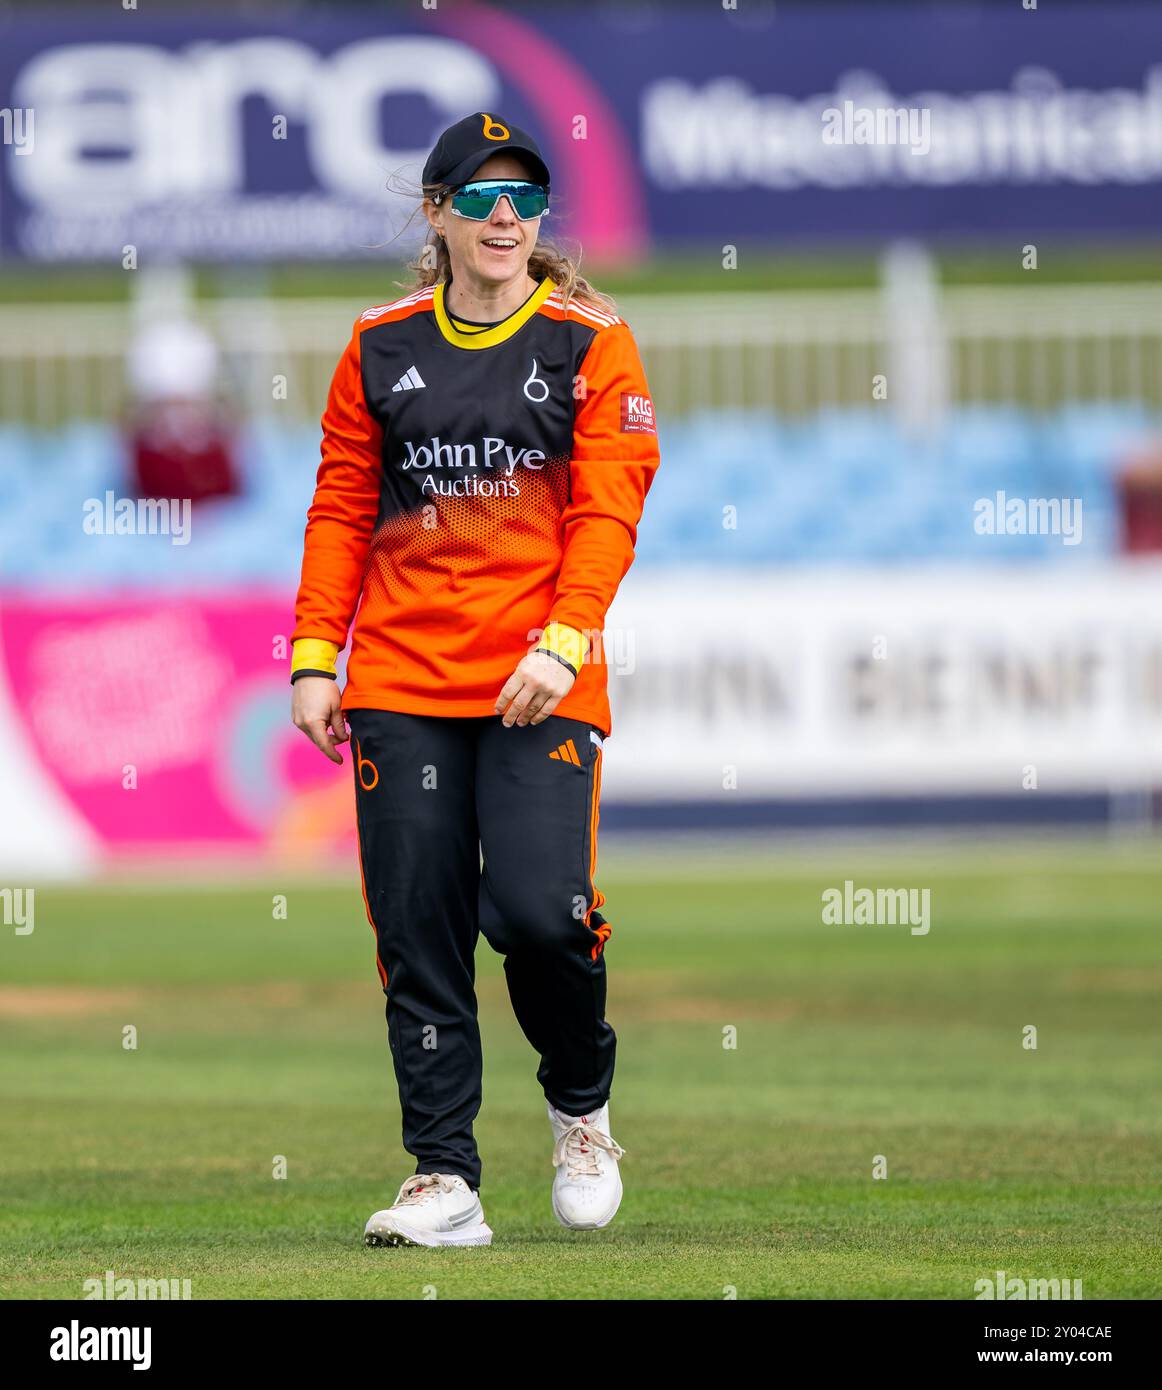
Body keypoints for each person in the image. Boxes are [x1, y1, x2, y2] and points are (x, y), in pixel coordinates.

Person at [290, 112, 660, 1248]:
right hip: (400, 679)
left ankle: (580, 1107)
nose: (508, 217)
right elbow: (343, 505)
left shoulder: (593, 341)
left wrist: (565, 639)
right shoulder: (377, 343)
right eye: (483, 197)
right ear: (436, 210)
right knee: (419, 927)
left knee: (544, 919)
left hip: (538, 680)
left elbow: (609, 507)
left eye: (528, 197)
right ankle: (442, 1177)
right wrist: (314, 654)